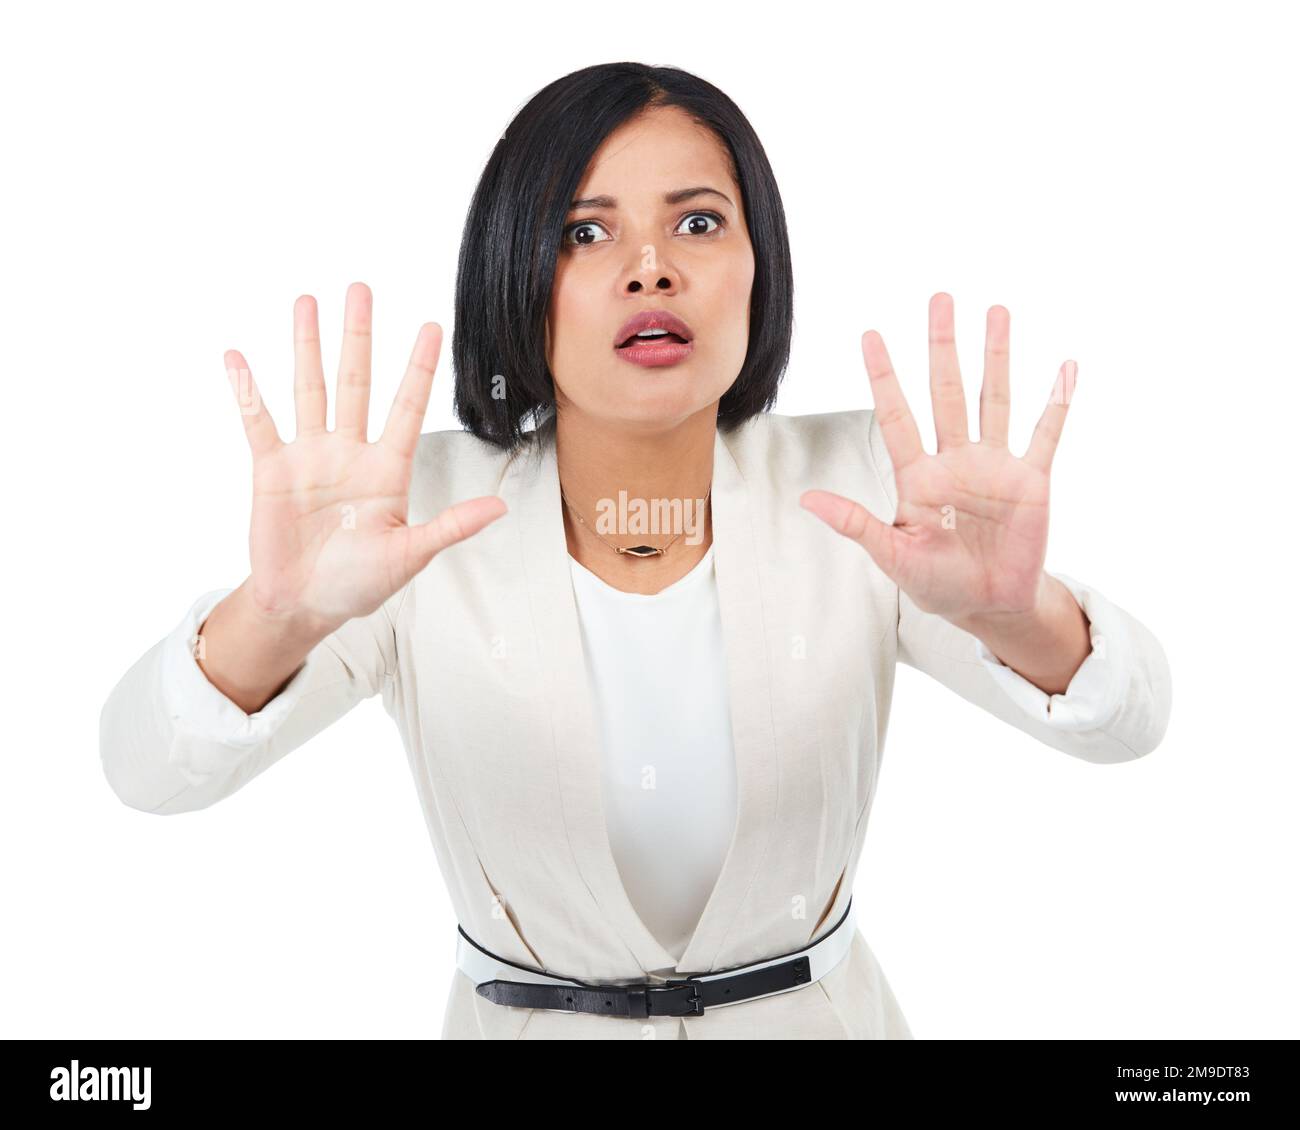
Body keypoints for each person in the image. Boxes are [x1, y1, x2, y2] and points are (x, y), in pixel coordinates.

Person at [99, 62, 1172, 1040]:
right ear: (516, 272)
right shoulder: (405, 513)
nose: (650, 269)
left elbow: (1133, 723)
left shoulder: (868, 487)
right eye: (584, 232)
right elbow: (144, 773)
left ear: (761, 268)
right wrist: (276, 616)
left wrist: (1011, 614)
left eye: (698, 224)